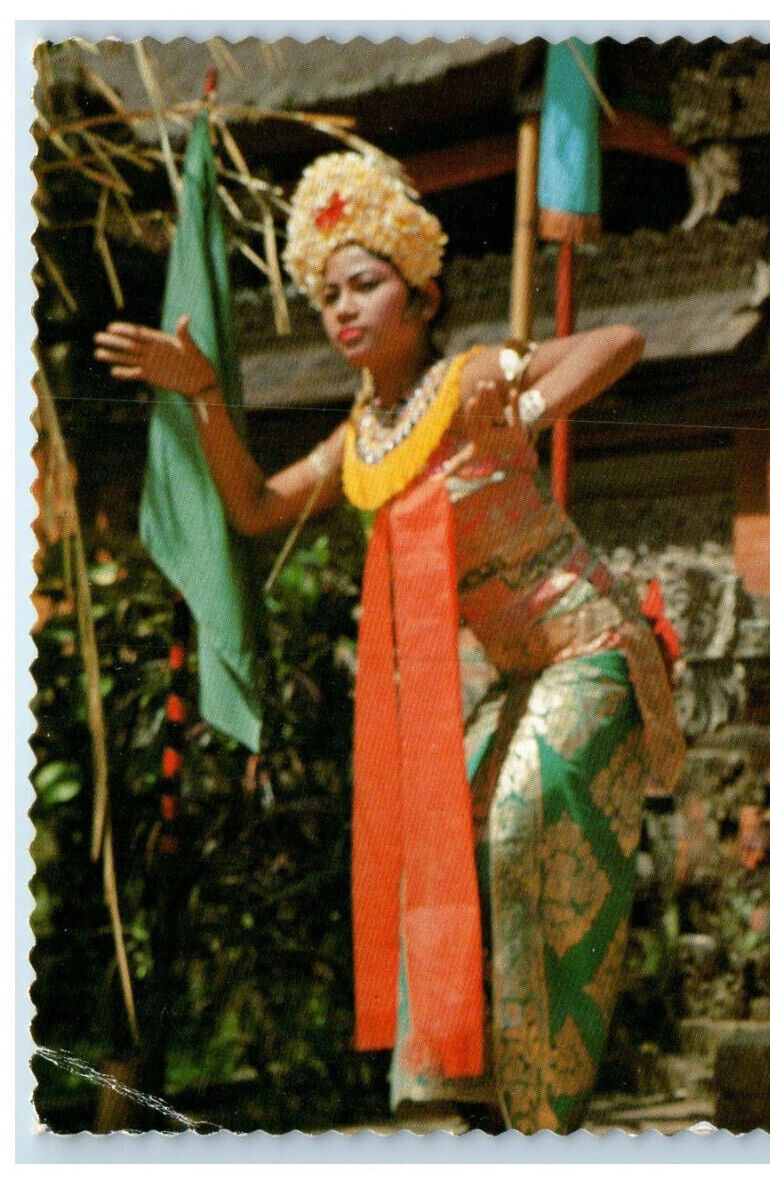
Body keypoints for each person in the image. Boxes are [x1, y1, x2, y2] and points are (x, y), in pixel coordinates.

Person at [95, 150, 686, 1133]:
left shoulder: (470, 378)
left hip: (587, 647)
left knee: (522, 821)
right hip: (508, 674)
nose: (342, 309)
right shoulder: (362, 438)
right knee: (440, 846)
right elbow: (251, 506)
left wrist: (526, 407)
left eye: (364, 284)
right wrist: (201, 391)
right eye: (327, 293)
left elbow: (619, 339)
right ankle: (472, 1086)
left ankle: (548, 1102)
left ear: (421, 295)